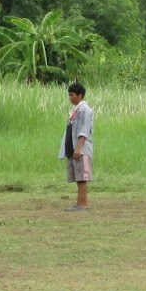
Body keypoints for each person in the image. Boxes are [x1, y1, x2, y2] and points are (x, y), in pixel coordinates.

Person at [61, 80, 94, 210]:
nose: (70, 98)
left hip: (81, 149)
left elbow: (84, 130)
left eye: (72, 95)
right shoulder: (75, 110)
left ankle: (82, 204)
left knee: (82, 177)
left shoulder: (85, 110)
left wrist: (79, 148)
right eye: (69, 95)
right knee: (78, 176)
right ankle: (79, 203)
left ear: (80, 95)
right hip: (74, 147)